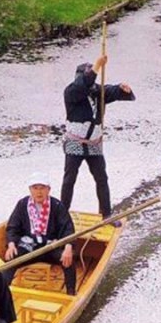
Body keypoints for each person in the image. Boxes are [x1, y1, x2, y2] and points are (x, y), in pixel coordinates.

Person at [60, 55, 135, 216]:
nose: (91, 82)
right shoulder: (71, 92)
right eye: (88, 76)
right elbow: (83, 85)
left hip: (94, 143)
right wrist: (97, 66)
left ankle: (106, 213)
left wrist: (122, 89)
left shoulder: (97, 92)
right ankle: (62, 214)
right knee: (69, 179)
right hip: (75, 143)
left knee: (101, 178)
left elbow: (111, 90)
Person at [4, 173, 76, 295]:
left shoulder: (57, 205)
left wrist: (68, 248)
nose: (39, 192)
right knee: (11, 259)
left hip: (51, 246)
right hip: (29, 246)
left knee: (68, 260)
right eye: (35, 188)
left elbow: (68, 228)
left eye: (42, 188)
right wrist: (11, 245)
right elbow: (12, 227)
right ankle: (2, 294)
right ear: (30, 190)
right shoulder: (22, 204)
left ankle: (71, 293)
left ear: (48, 190)